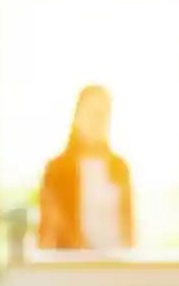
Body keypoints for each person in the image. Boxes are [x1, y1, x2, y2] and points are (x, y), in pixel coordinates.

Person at [37, 85, 134, 251]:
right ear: (77, 116)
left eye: (103, 114)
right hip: (74, 267)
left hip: (115, 266)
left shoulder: (119, 167)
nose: (98, 120)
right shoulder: (57, 169)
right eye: (91, 112)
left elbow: (129, 228)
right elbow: (49, 228)